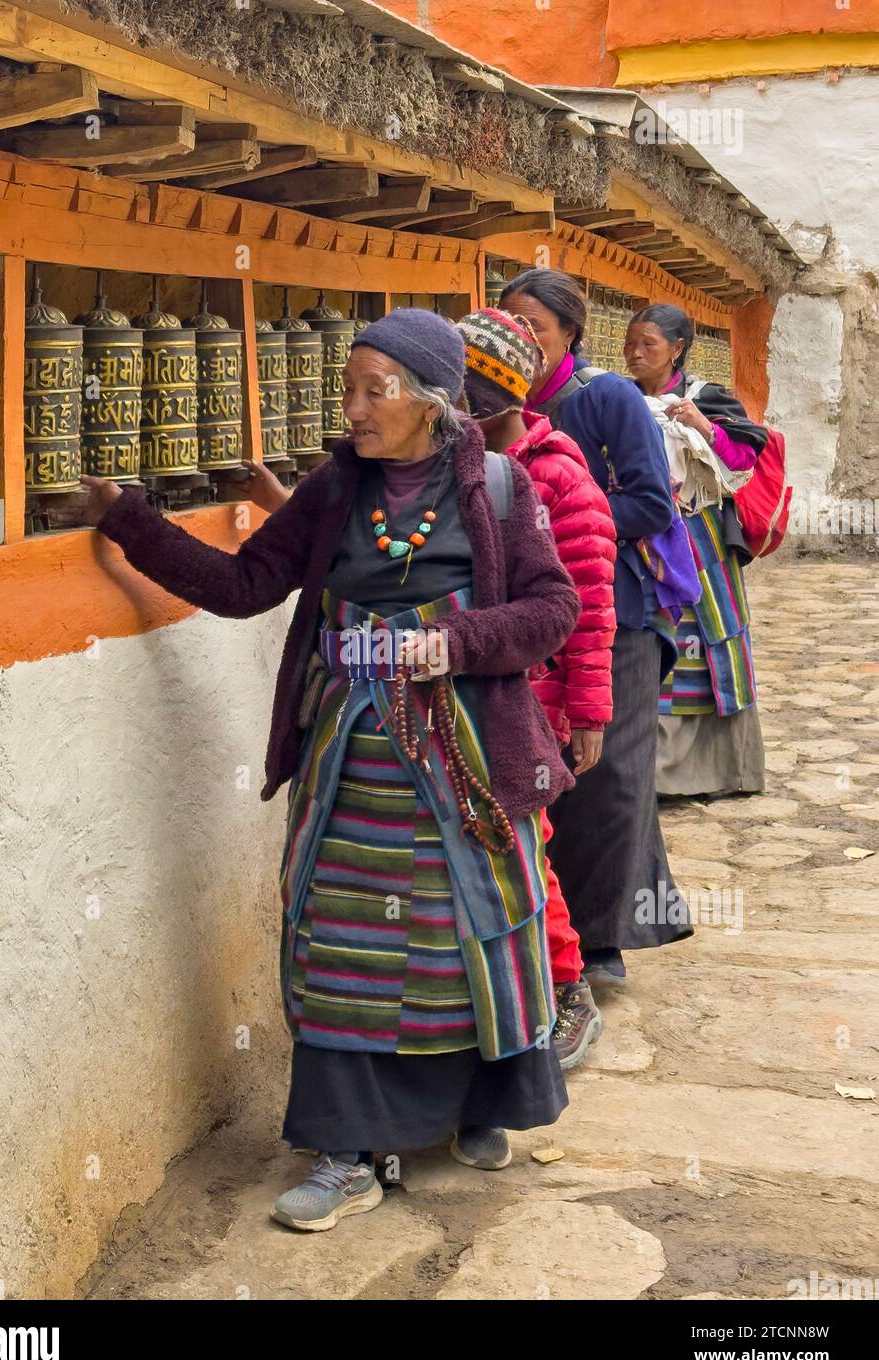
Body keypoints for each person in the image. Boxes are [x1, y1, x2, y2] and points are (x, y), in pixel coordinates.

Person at [81, 308, 582, 1233]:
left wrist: (452, 642)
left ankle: (476, 1103)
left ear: (431, 402)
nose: (350, 408)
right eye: (347, 387)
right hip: (351, 760)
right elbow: (244, 587)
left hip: (467, 760)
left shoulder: (499, 488)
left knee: (458, 932)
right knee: (347, 936)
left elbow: (554, 610)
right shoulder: (331, 492)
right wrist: (127, 519)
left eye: (371, 391)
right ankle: (349, 1153)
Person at [499, 269, 696, 992]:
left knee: (609, 780)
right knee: (540, 777)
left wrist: (551, 521)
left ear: (570, 334)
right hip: (527, 622)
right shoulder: (494, 403)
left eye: (536, 327)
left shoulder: (604, 397)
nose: (521, 339)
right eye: (510, 324)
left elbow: (650, 502)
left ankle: (601, 941)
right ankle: (552, 934)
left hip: (615, 615)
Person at [457, 306, 616, 1069]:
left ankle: (567, 991)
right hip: (481, 696)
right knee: (503, 845)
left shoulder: (556, 476)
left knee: (525, 849)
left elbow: (586, 609)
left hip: (538, 702)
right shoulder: (461, 468)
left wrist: (587, 711)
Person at [623, 304, 768, 797]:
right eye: (630, 343)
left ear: (677, 349)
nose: (635, 353)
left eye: (649, 344)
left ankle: (716, 772)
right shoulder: (613, 398)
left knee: (705, 640)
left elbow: (744, 461)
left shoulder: (706, 398)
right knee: (652, 638)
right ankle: (651, 774)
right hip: (641, 541)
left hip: (698, 538)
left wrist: (702, 426)